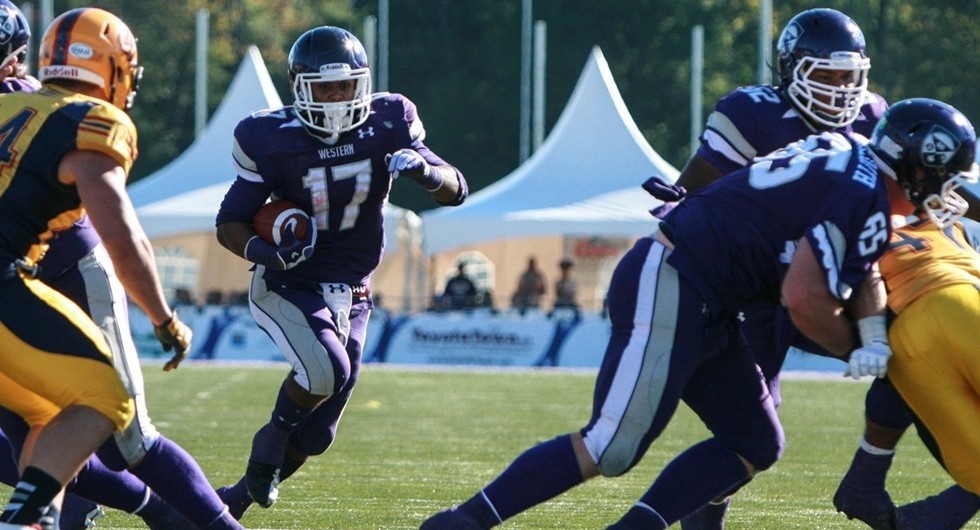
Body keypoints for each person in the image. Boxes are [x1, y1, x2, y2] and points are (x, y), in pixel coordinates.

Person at [420, 76, 912, 530]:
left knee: (755, 441)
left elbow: (862, 263)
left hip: (711, 295)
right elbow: (803, 298)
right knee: (610, 446)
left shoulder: (854, 158)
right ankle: (460, 523)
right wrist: (856, 348)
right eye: (941, 181)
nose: (943, 199)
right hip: (678, 278)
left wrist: (872, 336)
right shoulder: (857, 180)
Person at [646, 8, 971, 529]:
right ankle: (703, 517)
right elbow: (699, 188)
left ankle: (869, 479)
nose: (842, 89)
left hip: (834, 279)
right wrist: (678, 202)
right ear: (790, 69)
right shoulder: (751, 112)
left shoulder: (875, 114)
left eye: (851, 75)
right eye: (827, 75)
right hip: (756, 289)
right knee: (751, 428)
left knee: (908, 352)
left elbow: (935, 178)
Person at [214, 25, 467, 519]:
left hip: (354, 289)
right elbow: (230, 223)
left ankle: (228, 506)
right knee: (328, 370)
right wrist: (269, 255)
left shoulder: (391, 119)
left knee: (318, 435)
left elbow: (455, 188)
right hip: (288, 282)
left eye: (345, 86)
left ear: (363, 84)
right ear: (300, 87)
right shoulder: (267, 136)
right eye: (324, 87)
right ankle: (269, 437)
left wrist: (424, 171)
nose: (335, 98)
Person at [0, 7, 205, 529]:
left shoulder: (30, 102)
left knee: (96, 430)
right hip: (15, 277)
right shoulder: (84, 116)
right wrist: (163, 318)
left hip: (60, 267)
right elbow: (123, 232)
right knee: (103, 400)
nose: (15, 68)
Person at [861, 98, 980, 521]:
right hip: (959, 304)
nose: (953, 190)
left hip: (906, 348)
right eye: (947, 177)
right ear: (913, 168)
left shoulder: (847, 193)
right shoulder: (938, 218)